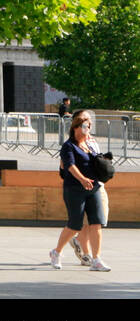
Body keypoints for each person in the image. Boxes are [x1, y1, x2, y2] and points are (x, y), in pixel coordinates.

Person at [50, 111, 110, 271]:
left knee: (96, 223)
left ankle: (96, 260)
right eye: (84, 126)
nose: (87, 129)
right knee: (75, 225)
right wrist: (82, 179)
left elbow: (97, 162)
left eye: (88, 126)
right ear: (76, 127)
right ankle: (56, 252)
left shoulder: (90, 145)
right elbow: (70, 165)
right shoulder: (68, 146)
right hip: (75, 189)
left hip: (93, 187)